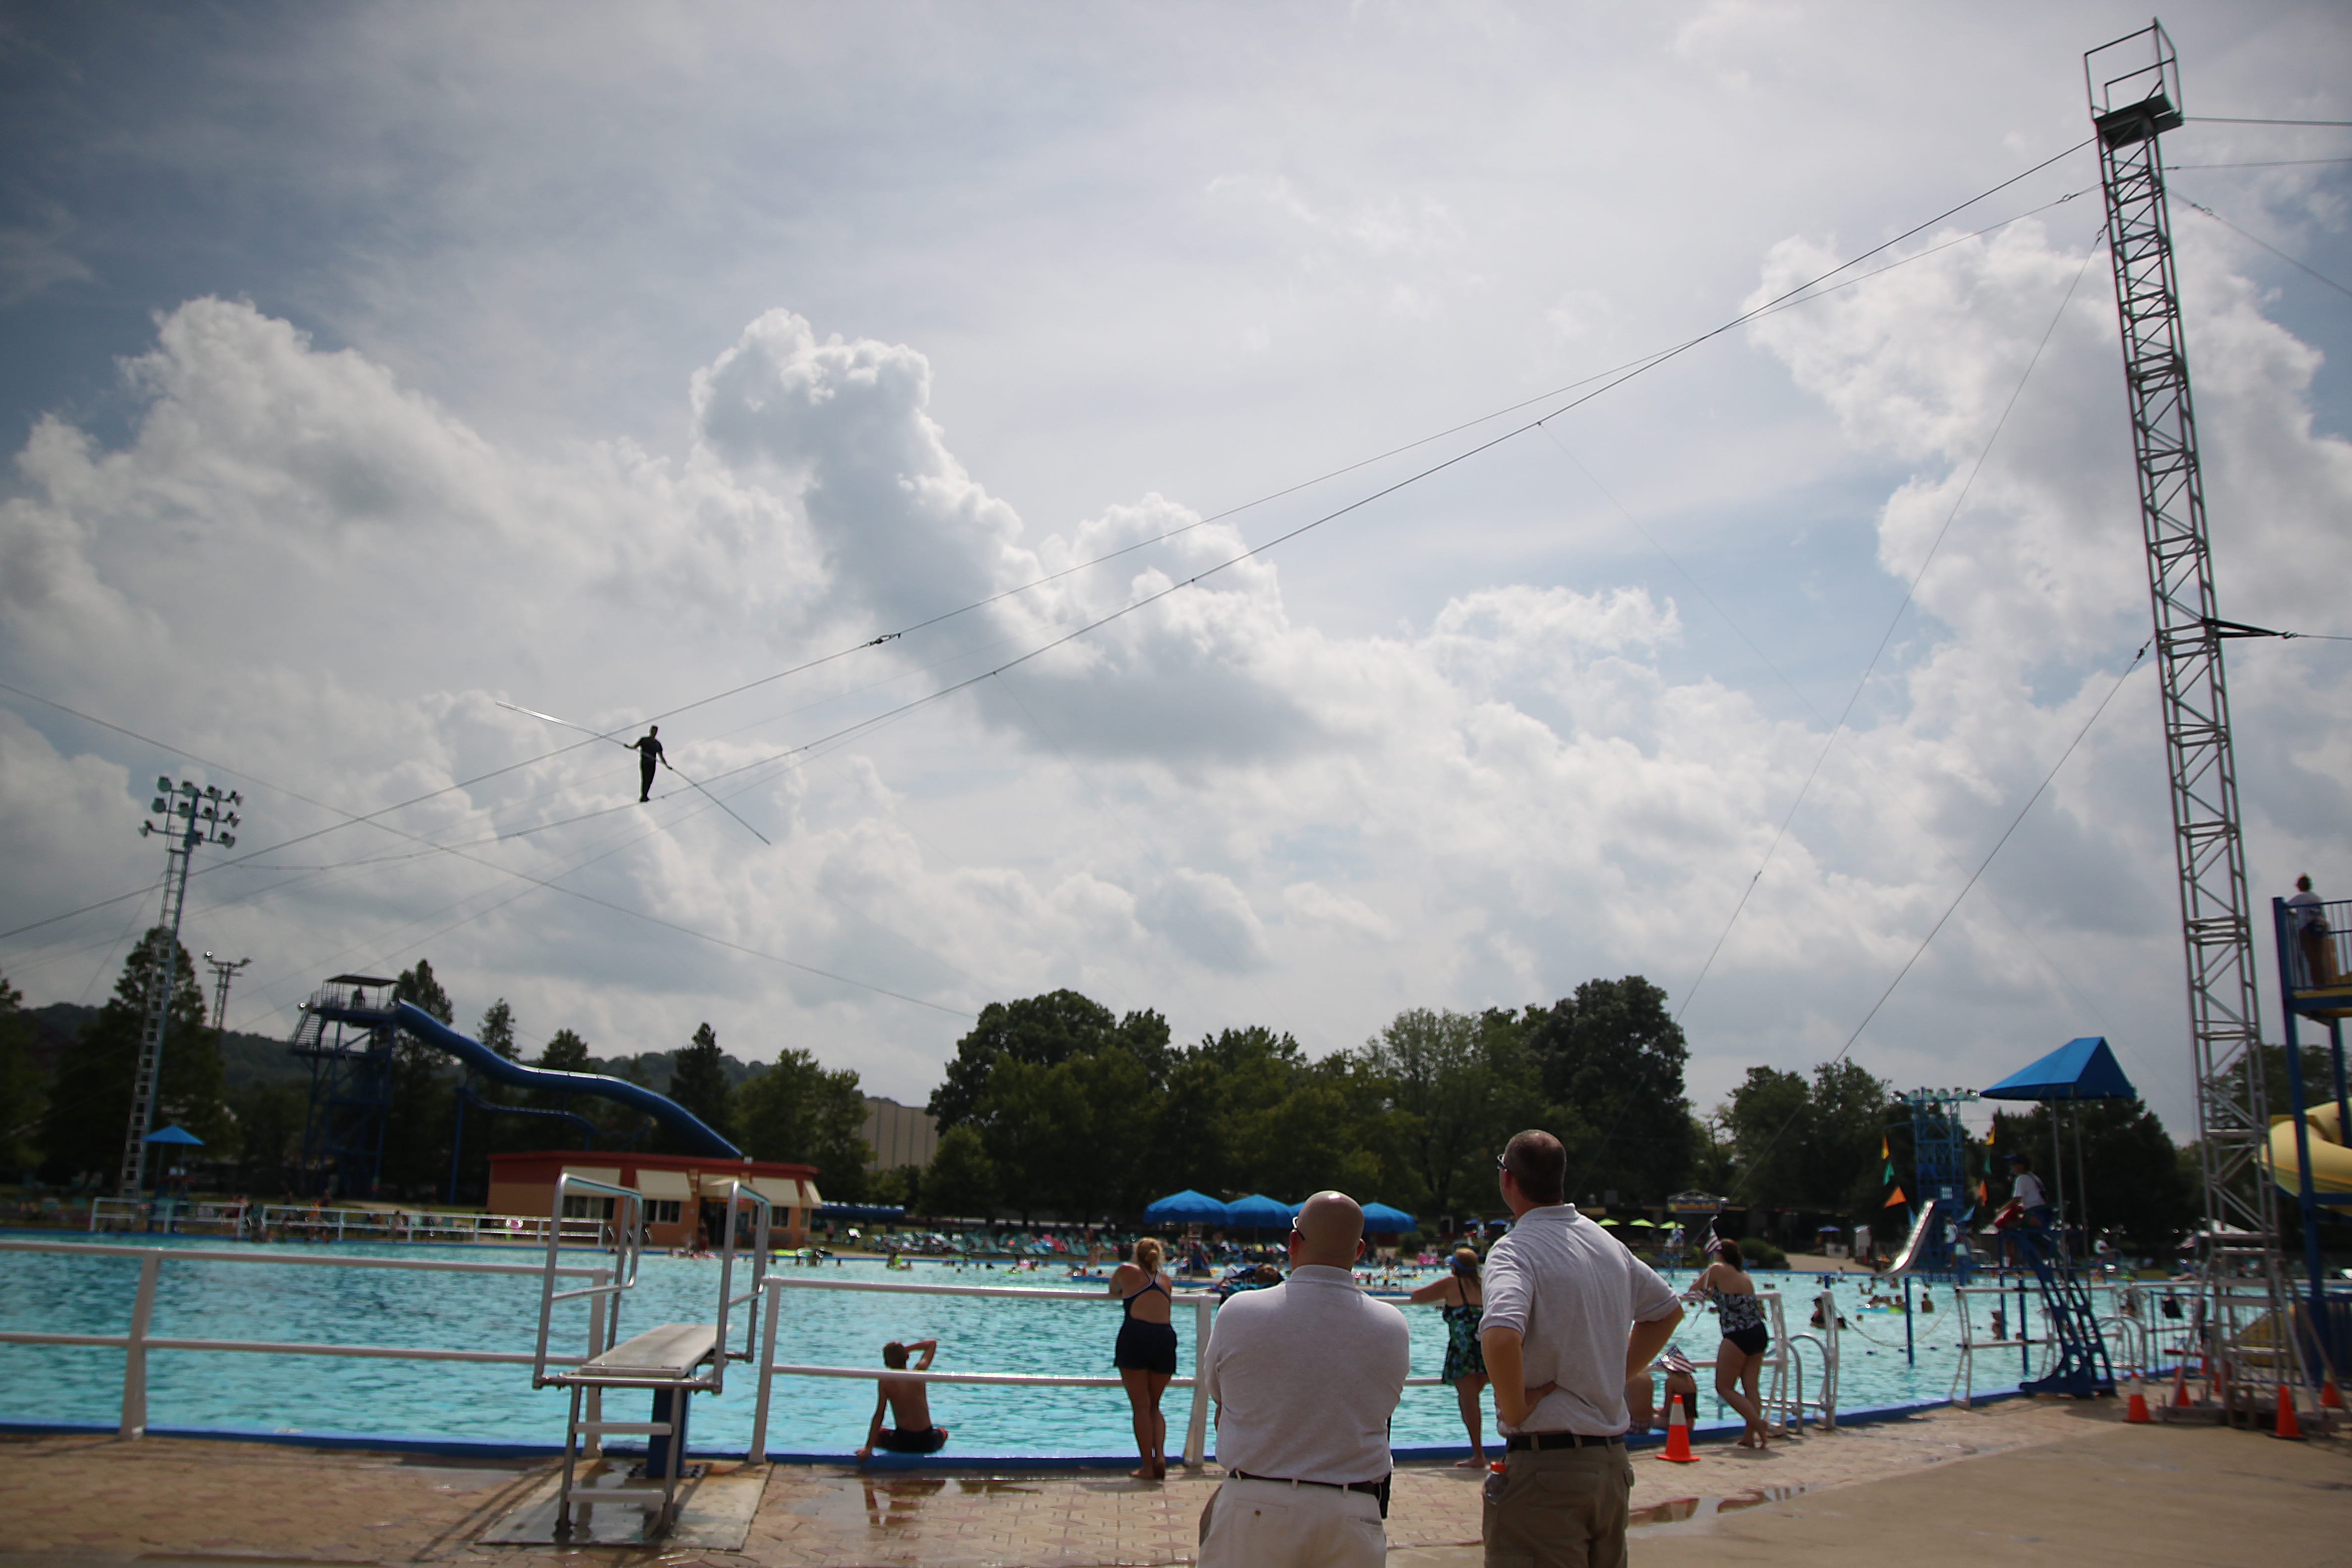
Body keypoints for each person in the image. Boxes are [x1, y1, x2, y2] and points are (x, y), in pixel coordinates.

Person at [1480, 1131, 1683, 1568]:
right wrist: (1616, 1374)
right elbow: (1666, 1311)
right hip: (1609, 1466)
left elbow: (1499, 1334)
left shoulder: (1515, 1250)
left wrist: (1515, 1410)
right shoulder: (1607, 1245)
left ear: (1508, 1180)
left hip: (1546, 1468)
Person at [1197, 1191, 1410, 1568]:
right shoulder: (1392, 1326)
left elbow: (1219, 1393)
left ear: (1293, 1242)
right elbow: (1383, 1405)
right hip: (1353, 1511)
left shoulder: (1240, 1311)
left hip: (1256, 1503)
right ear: (1359, 1250)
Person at [1408, 1246, 1492, 1467]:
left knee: (1468, 1402)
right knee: (1489, 1399)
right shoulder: (1486, 1285)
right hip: (1487, 1350)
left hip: (1462, 1352)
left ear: (1455, 1266)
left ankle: (1478, 1455)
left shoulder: (1452, 1284)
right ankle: (1490, 1453)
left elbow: (1417, 1297)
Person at [1685, 1238, 1772, 1448]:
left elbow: (1693, 1289)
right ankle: (1750, 1437)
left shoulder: (1717, 1269)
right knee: (1751, 1387)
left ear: (1720, 1255)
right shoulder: (1744, 1275)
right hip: (1758, 1332)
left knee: (1724, 1387)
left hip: (1737, 1334)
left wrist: (1705, 1285)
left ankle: (1759, 1424)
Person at [1109, 1235, 1178, 1480]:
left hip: (1136, 1334)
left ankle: (1148, 1466)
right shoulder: (1166, 1280)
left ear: (1135, 1254)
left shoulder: (1126, 1270)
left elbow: (1113, 1290)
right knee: (1155, 1405)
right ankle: (1160, 1456)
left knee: (1140, 1405)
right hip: (1165, 1337)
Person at [855, 1338, 948, 1461]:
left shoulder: (885, 1382)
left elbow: (879, 1415)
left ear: (886, 1364)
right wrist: (906, 1350)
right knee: (943, 1432)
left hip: (903, 1443)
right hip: (927, 1442)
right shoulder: (919, 1373)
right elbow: (932, 1344)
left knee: (879, 1434)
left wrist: (868, 1448)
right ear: (907, 1357)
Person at [1623, 1344, 1701, 1431]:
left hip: (1678, 1422)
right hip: (1690, 1423)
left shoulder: (1671, 1381)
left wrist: (1654, 1411)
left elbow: (1666, 1411)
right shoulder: (1690, 1380)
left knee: (1651, 1420)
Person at [2289, 874, 2335, 986]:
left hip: (2307, 928)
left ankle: (2318, 984)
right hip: (2320, 927)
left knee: (2311, 957)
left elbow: (2286, 906)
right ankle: (2323, 981)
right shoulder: (2317, 897)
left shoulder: (2301, 897)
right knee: (2319, 956)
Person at [632, 725, 665, 802]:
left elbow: (661, 756)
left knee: (650, 780)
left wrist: (667, 765)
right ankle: (643, 796)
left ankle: (645, 796)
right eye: (653, 731)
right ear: (650, 731)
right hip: (645, 763)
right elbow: (635, 746)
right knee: (645, 779)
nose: (654, 732)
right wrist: (629, 747)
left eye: (655, 731)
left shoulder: (657, 744)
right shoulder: (644, 740)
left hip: (652, 764)